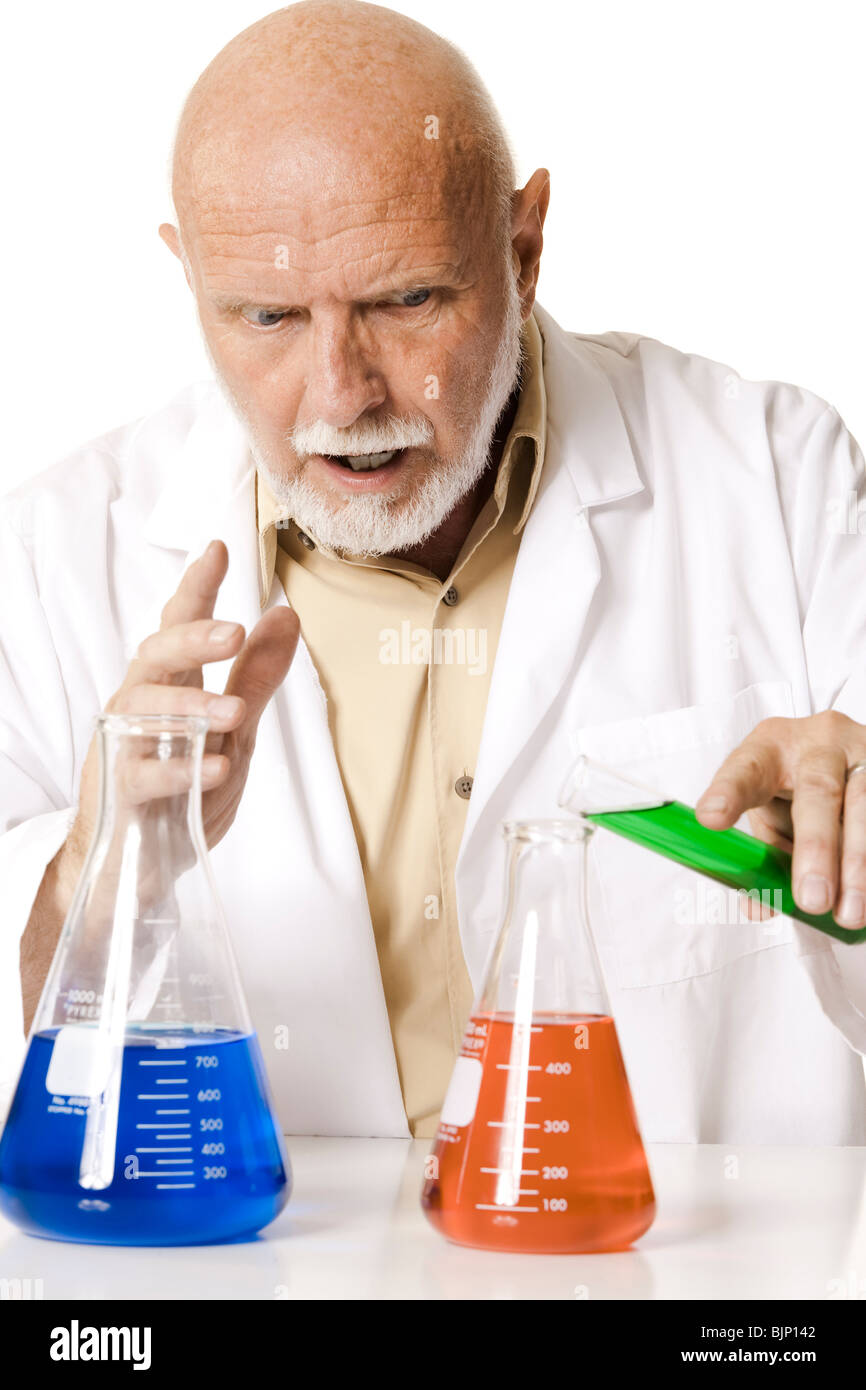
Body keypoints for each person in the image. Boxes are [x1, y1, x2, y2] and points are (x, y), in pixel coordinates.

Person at [3, 0, 866, 1142]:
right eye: (264, 314)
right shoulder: (58, 553)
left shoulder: (773, 480)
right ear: (189, 274)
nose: (340, 393)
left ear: (522, 246)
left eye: (405, 301)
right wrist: (101, 871)